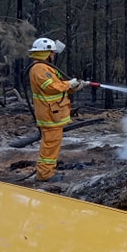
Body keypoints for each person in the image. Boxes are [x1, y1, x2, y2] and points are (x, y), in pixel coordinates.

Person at [27, 37, 87, 182]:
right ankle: (45, 174)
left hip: (52, 112)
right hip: (49, 114)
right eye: (52, 53)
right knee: (50, 145)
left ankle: (47, 171)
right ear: (46, 53)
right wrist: (69, 84)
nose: (54, 55)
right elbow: (51, 87)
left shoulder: (45, 67)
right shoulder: (40, 68)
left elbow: (58, 88)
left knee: (52, 144)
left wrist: (73, 87)